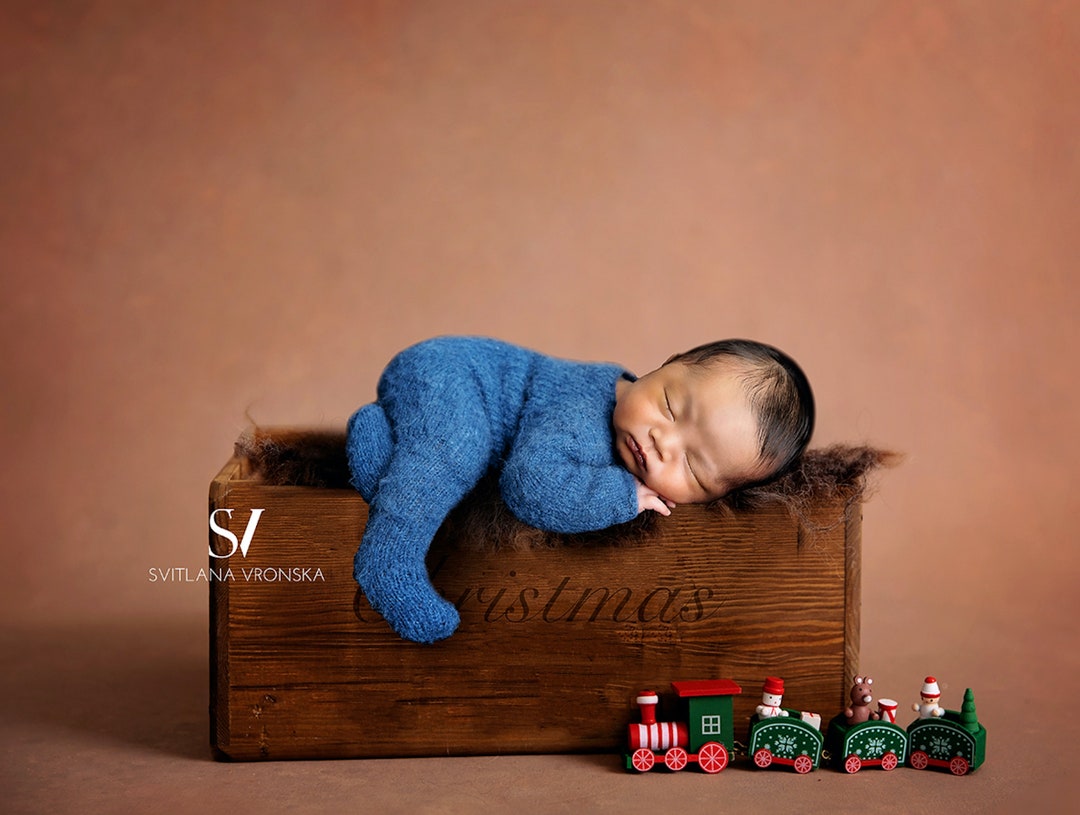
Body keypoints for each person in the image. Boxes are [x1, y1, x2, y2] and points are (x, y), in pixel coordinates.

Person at [346, 335, 814, 643]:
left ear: (714, 498)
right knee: (455, 449)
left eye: (692, 465)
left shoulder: (634, 430)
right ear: (665, 365)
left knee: (425, 467)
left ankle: (377, 439)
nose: (661, 440)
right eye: (669, 405)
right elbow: (528, 485)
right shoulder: (583, 414)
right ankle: (388, 559)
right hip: (452, 375)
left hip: (444, 390)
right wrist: (624, 496)